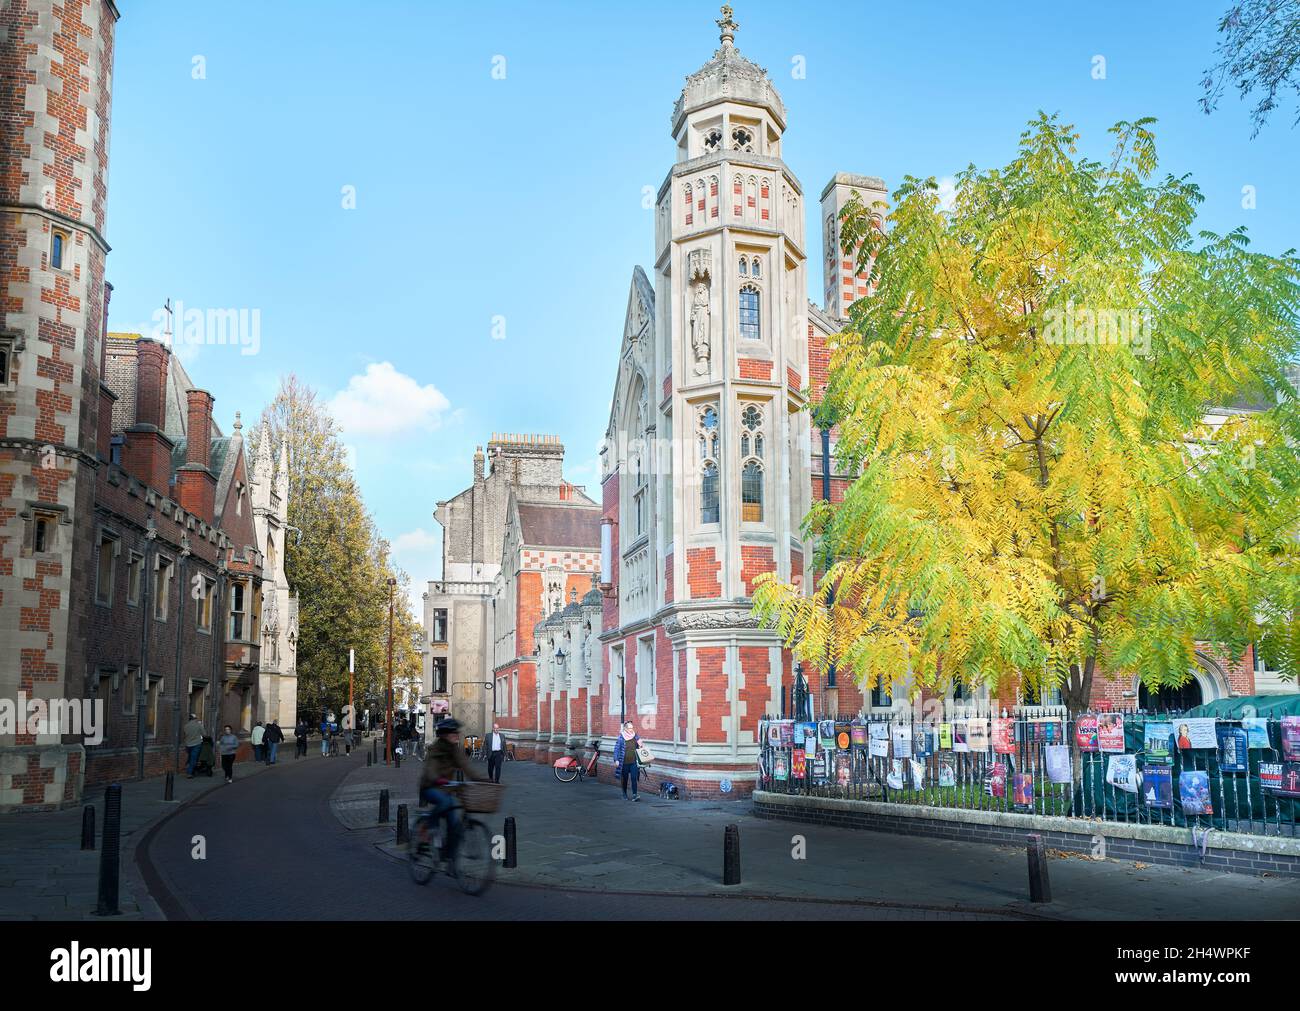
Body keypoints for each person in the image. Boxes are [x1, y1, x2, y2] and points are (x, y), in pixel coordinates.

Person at [418, 719, 486, 864]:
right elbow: (431, 769)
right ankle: (428, 823)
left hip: (446, 789)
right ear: (444, 735)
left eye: (457, 732)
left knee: (454, 824)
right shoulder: (435, 750)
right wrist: (438, 779)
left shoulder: (456, 750)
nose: (456, 735)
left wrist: (483, 779)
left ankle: (450, 858)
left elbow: (467, 767)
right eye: (453, 732)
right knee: (446, 801)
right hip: (430, 787)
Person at [614, 721, 643, 801]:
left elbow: (640, 747)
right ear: (626, 729)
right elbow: (616, 749)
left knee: (634, 777)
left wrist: (641, 745)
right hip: (624, 763)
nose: (631, 729)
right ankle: (624, 793)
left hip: (633, 762)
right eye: (629, 728)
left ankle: (634, 795)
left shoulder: (635, 736)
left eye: (632, 728)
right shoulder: (621, 737)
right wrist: (616, 760)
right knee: (625, 779)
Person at [182, 713, 205, 778]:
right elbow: (204, 734)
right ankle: (189, 773)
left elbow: (184, 735)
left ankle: (188, 766)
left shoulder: (186, 726)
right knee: (193, 758)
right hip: (196, 744)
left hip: (188, 744)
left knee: (190, 756)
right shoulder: (199, 725)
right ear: (195, 719)